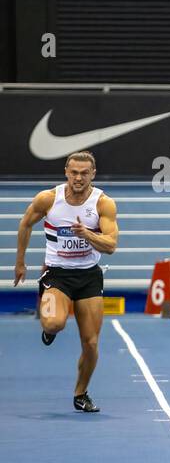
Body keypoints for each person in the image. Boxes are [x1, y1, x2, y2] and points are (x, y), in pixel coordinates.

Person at [11, 151, 119, 412]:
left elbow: (111, 245)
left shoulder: (103, 203)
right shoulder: (49, 199)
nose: (78, 178)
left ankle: (81, 394)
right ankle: (48, 329)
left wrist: (87, 234)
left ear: (92, 174)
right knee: (54, 322)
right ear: (66, 172)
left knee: (91, 343)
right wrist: (20, 262)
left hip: (89, 276)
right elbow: (25, 224)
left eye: (84, 173)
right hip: (56, 274)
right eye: (74, 172)